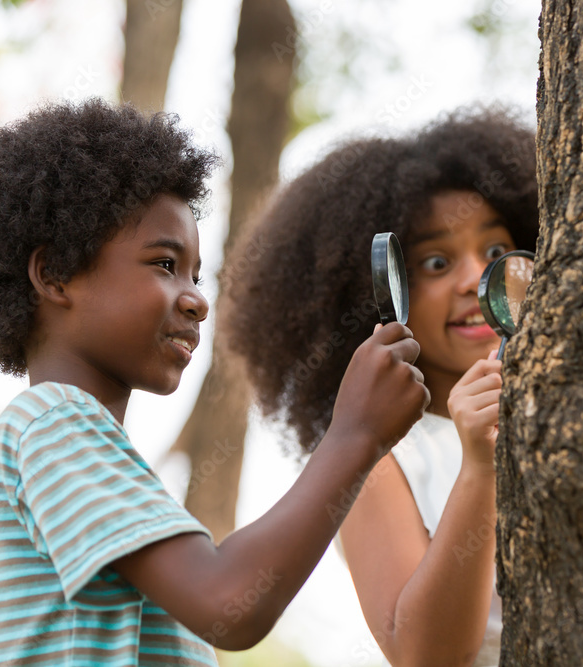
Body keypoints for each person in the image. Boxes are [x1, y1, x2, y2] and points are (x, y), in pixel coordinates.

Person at [0, 98, 428, 665]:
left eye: (196, 274)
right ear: (55, 275)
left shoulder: (48, 443)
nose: (196, 299)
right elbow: (227, 600)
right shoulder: (55, 425)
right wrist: (353, 438)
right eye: (164, 264)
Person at [222, 108, 538, 666]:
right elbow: (424, 655)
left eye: (494, 252)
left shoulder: (571, 412)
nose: (475, 279)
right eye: (437, 262)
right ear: (378, 296)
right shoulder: (379, 462)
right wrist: (481, 466)